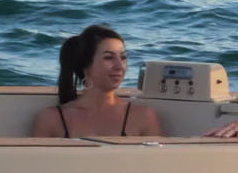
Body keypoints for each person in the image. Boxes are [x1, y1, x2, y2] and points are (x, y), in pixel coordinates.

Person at [32, 25, 162, 138]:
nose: (119, 66)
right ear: (85, 65)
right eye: (108, 57)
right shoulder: (52, 119)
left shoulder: (143, 117)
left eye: (123, 57)